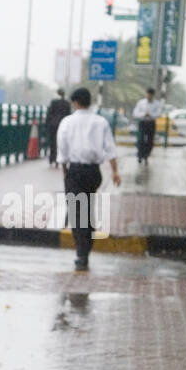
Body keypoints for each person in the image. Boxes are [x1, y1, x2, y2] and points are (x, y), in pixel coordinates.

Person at [56, 87, 122, 272]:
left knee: (76, 211)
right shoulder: (101, 122)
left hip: (75, 171)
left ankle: (82, 252)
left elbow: (62, 149)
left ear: (75, 102)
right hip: (93, 172)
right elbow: (110, 148)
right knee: (87, 208)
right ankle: (86, 248)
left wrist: (65, 171)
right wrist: (115, 172)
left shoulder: (67, 122)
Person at [132, 87, 164, 164]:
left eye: (151, 95)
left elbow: (158, 114)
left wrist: (150, 114)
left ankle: (146, 155)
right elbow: (135, 113)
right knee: (140, 140)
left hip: (151, 123)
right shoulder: (141, 103)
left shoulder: (157, 104)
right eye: (148, 94)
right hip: (142, 123)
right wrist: (144, 114)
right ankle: (140, 155)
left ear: (153, 95)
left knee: (150, 141)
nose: (149, 96)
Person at [44, 88, 71, 167]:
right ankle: (59, 159)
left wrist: (46, 124)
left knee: (52, 142)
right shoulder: (66, 103)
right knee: (61, 143)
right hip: (63, 125)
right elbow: (68, 115)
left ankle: (52, 158)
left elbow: (49, 114)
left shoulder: (53, 102)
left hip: (53, 125)